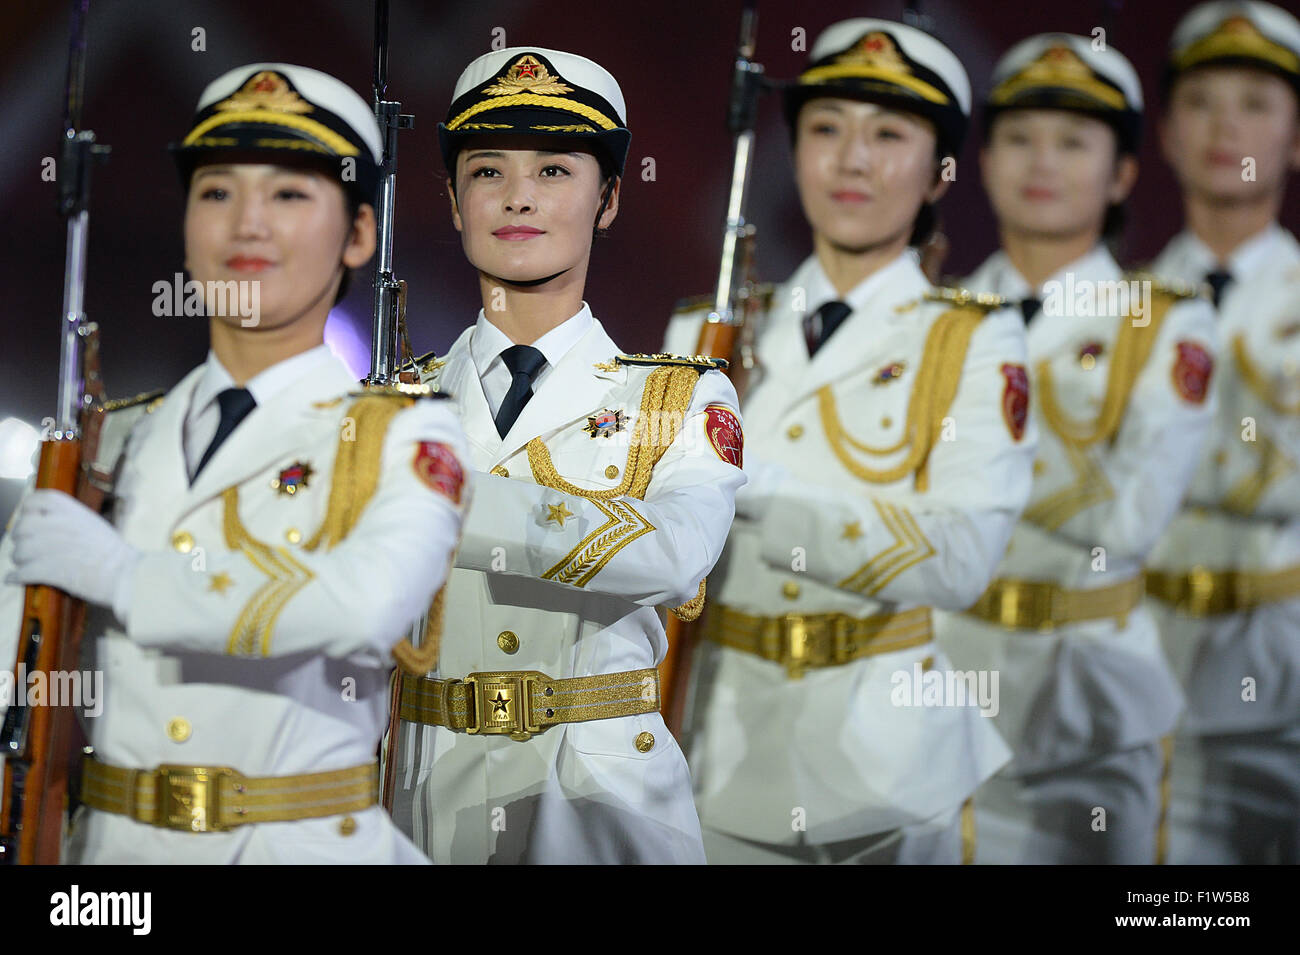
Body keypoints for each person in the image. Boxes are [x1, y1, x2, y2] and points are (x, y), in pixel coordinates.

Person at [0, 63, 469, 863]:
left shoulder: (405, 437)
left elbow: (363, 609)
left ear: (358, 233)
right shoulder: (109, 442)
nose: (247, 223)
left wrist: (126, 578)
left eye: (289, 194)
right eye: (217, 192)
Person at [662, 18, 1035, 864]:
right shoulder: (707, 329)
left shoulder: (974, 342)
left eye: (889, 135)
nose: (853, 160)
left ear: (940, 172)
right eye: (825, 129)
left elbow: (961, 554)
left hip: (886, 763)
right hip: (716, 745)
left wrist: (751, 488)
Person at [390, 47, 745, 864]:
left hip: (595, 810)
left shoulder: (678, 399)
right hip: (418, 795)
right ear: (451, 199)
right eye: (486, 171)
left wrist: (446, 499)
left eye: (554, 170)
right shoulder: (388, 400)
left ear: (609, 198)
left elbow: (674, 556)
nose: (517, 196)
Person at [933, 34, 1217, 864]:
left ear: (1124, 172)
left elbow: (1128, 521)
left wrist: (966, 456)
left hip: (1087, 699)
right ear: (983, 162)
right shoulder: (934, 313)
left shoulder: (1163, 320)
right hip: (942, 682)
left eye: (1073, 142)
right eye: (1019, 138)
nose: (1041, 162)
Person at [1144, 0, 1300, 863]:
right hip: (1140, 680)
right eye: (1201, 101)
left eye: (1256, 101)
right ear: (1165, 134)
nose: (1225, 123)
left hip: (1284, 683)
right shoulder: (1115, 310)